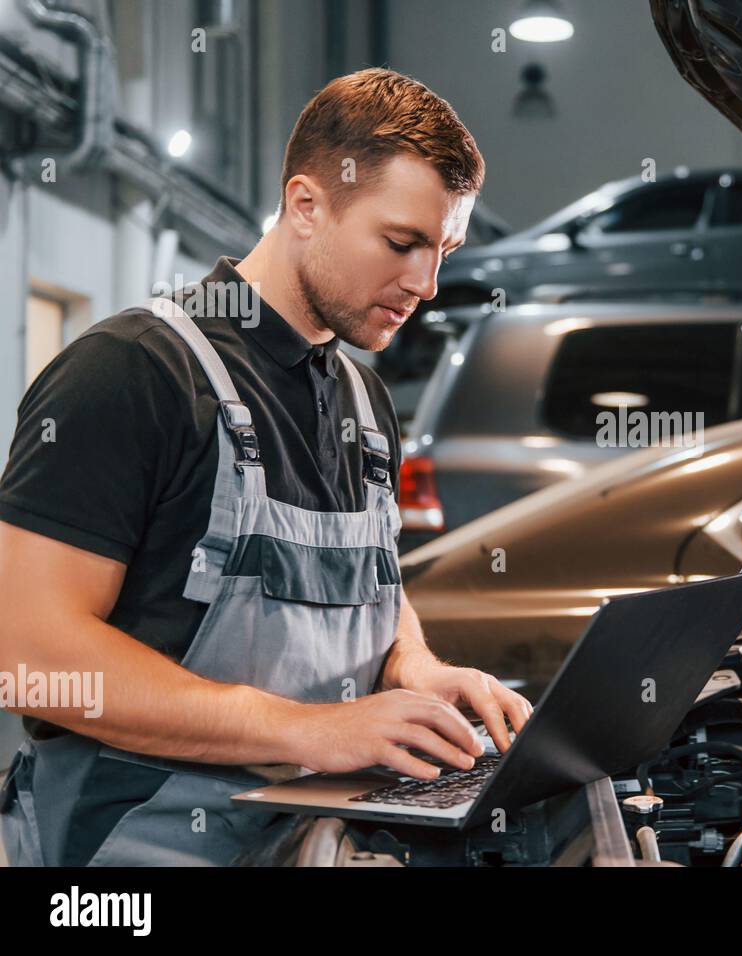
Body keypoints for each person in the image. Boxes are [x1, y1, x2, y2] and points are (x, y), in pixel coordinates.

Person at [0, 68, 531, 866]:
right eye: (401, 244)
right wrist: (306, 729)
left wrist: (415, 668)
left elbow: (372, 587)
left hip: (308, 839)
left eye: (442, 251)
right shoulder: (132, 372)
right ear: (307, 205)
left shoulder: (363, 400)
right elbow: (27, 657)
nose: (425, 284)